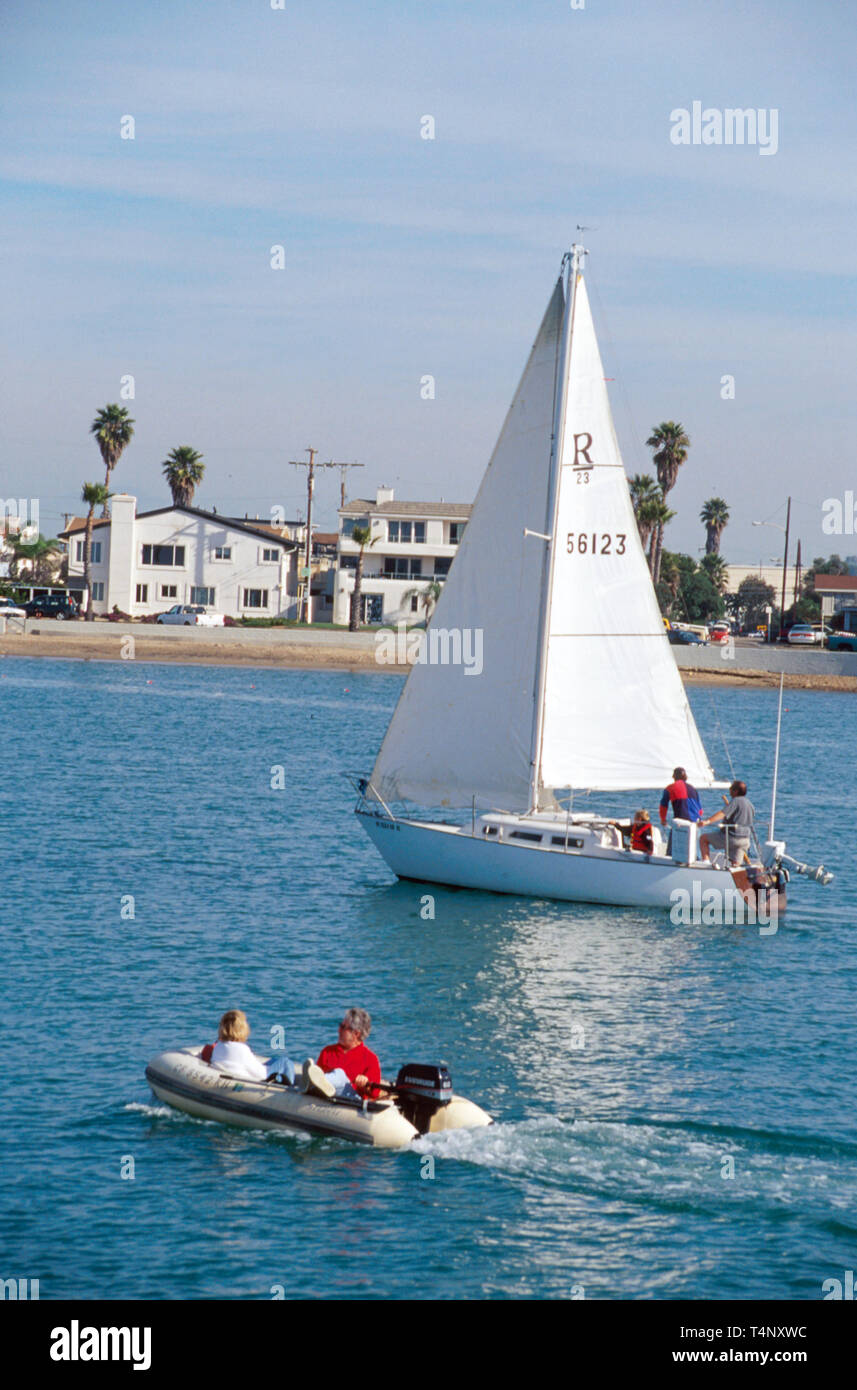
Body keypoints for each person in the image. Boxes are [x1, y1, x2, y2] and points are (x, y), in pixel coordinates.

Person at [302, 1007, 382, 1100]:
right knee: (285, 1063)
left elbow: (375, 1093)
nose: (339, 1030)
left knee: (339, 1073)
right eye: (340, 1025)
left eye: (343, 1027)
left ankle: (311, 1082)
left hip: (351, 1100)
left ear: (356, 1034)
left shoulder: (370, 1058)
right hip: (326, 1096)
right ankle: (311, 1083)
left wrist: (364, 1083)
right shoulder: (327, 1051)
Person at [204, 1009, 296, 1085]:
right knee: (285, 1062)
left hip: (235, 1070)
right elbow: (261, 1074)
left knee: (274, 1061)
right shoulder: (241, 1049)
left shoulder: (219, 1045)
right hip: (252, 1077)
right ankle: (291, 1090)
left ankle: (281, 1079)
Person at [699, 780, 755, 864]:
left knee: (703, 839)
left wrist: (707, 821)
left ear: (735, 791)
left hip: (732, 838)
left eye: (731, 789)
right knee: (735, 865)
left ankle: (706, 864)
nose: (729, 791)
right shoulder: (750, 804)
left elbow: (723, 813)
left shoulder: (736, 801)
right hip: (745, 840)